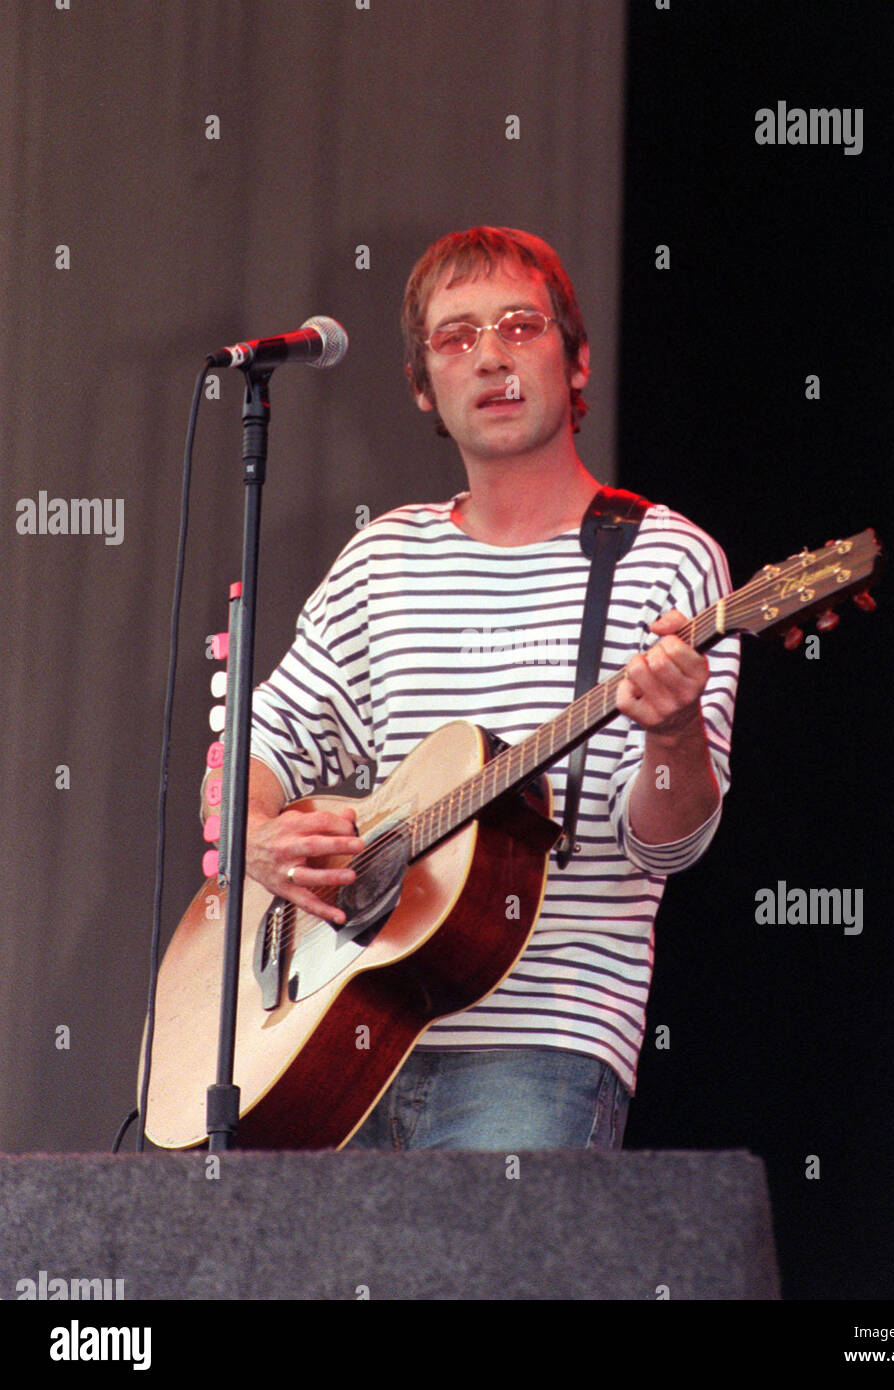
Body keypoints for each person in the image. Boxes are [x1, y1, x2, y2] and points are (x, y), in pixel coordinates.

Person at [243, 226, 740, 1151]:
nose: (493, 356)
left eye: (520, 324)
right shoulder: (383, 559)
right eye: (456, 336)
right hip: (329, 1031)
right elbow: (252, 753)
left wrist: (672, 735)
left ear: (576, 359)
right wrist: (263, 836)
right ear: (423, 387)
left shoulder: (663, 558)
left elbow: (664, 848)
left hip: (540, 1049)